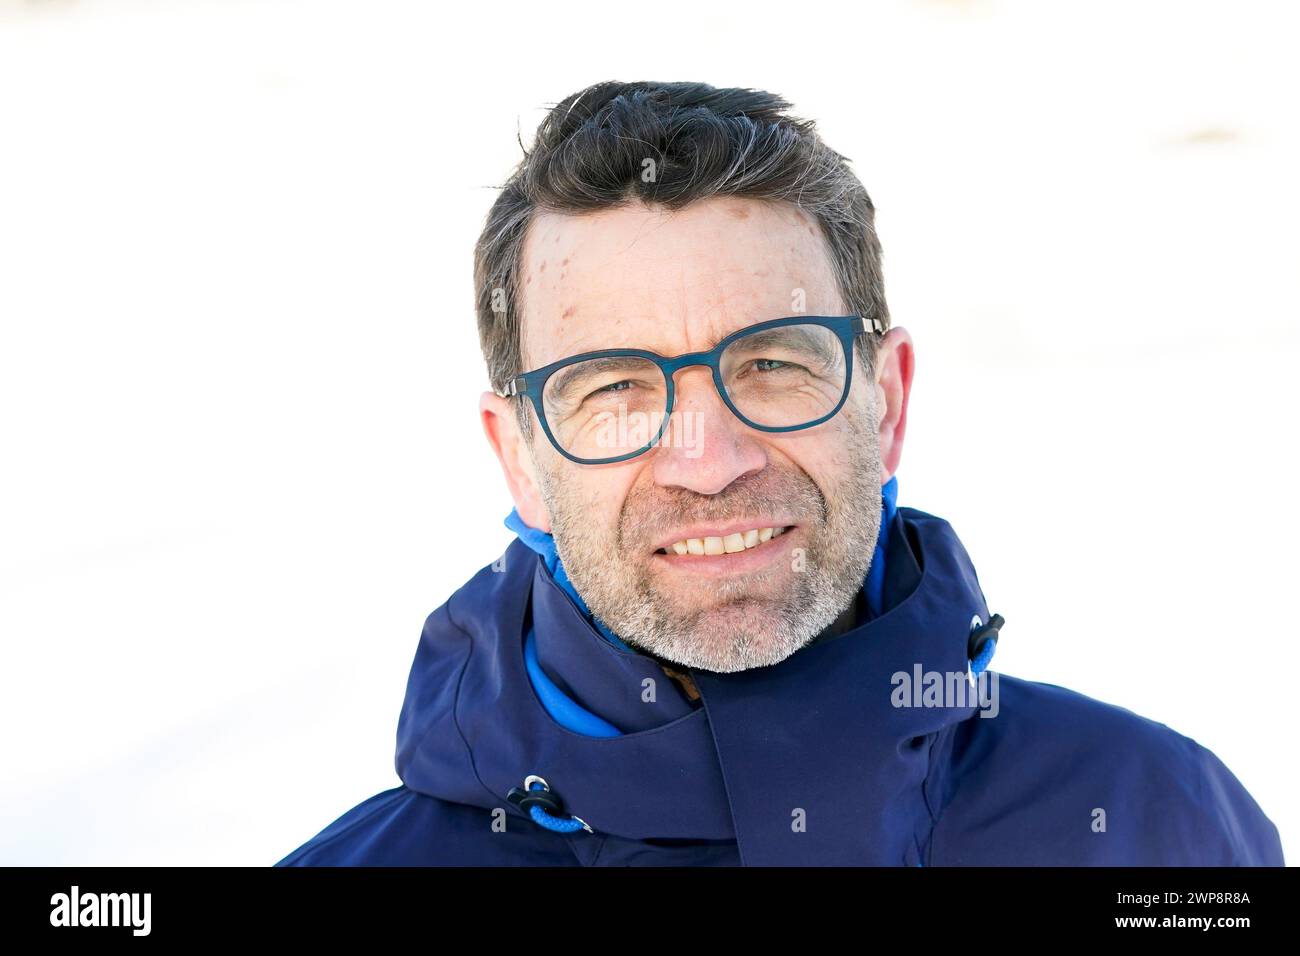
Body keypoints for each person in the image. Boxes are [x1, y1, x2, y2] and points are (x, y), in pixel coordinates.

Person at [275, 80, 1283, 866]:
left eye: (770, 364)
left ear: (886, 400)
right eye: (616, 389)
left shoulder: (1159, 819)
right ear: (520, 459)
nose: (709, 462)